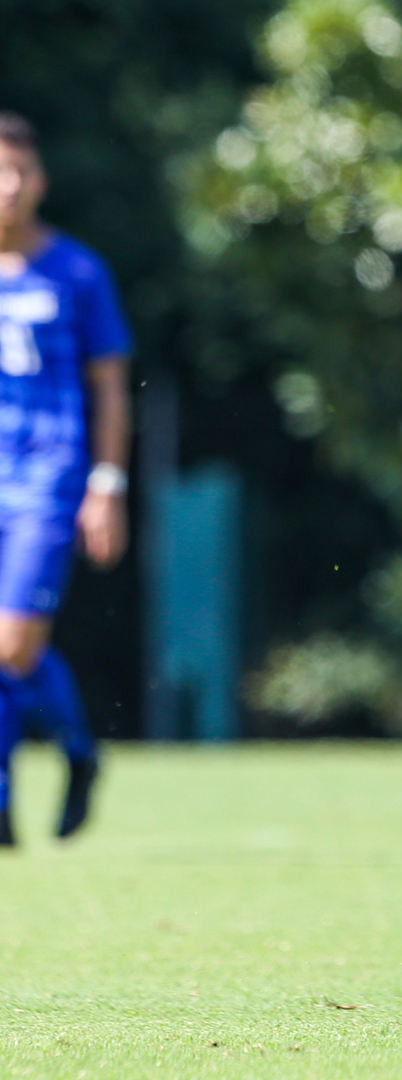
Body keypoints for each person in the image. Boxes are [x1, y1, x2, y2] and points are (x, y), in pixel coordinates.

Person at [0, 112, 130, 844]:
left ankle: (77, 750)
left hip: (46, 479)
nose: (9, 187)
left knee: (12, 645)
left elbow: (111, 386)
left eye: (20, 172)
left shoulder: (77, 271)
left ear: (40, 180)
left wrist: (106, 483)